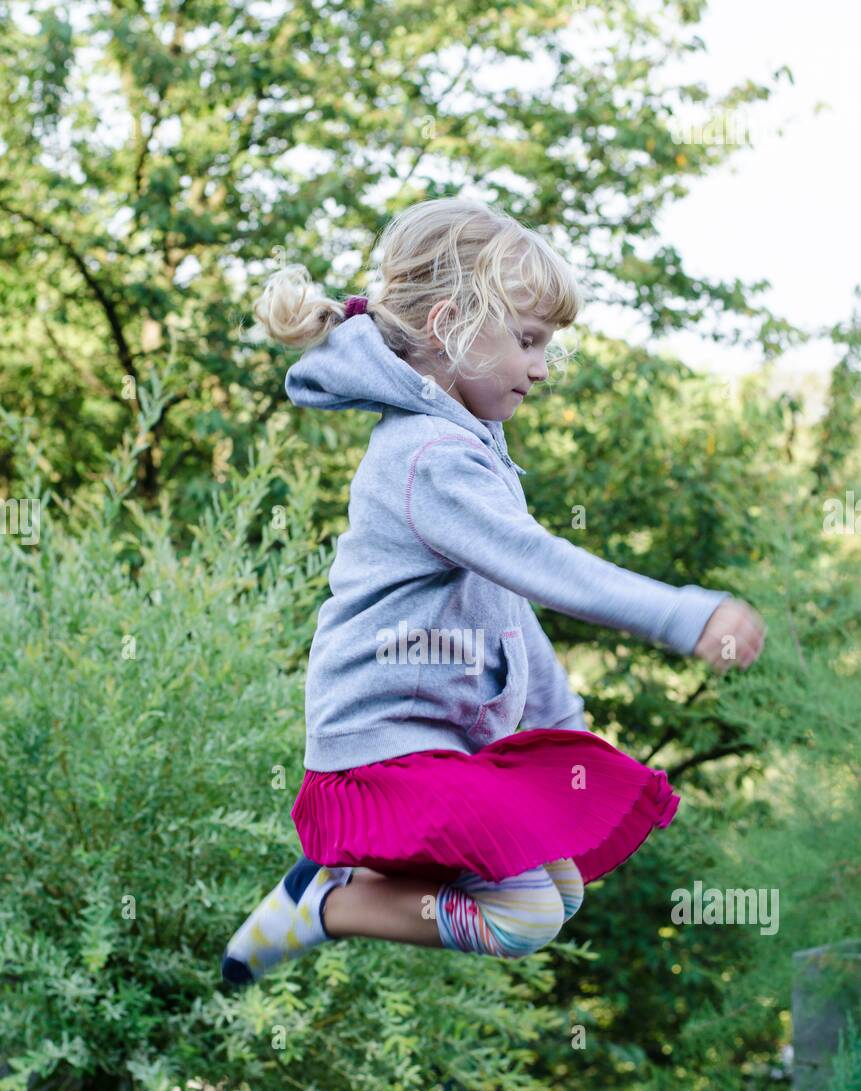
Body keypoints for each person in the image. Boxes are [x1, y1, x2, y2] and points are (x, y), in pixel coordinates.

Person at [222, 196, 765, 983]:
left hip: (428, 755)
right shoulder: (428, 456)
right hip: (373, 765)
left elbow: (508, 607)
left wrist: (559, 727)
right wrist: (685, 614)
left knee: (562, 881)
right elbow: (541, 565)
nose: (542, 368)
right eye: (529, 341)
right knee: (525, 914)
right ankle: (325, 905)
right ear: (449, 327)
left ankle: (345, 890)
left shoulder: (469, 449)